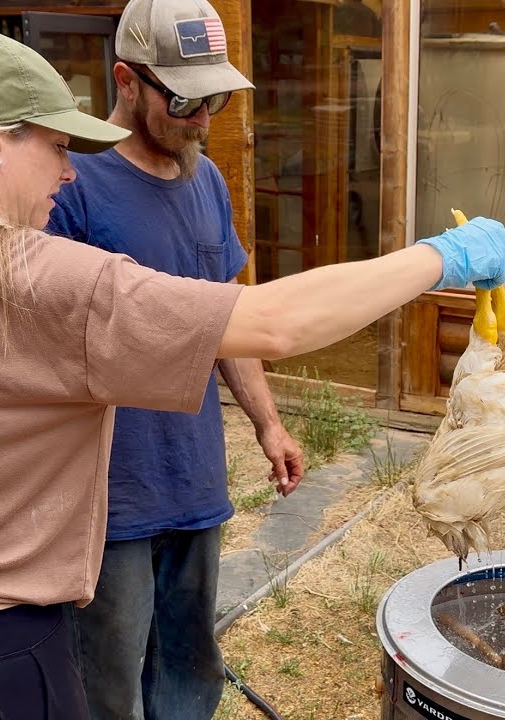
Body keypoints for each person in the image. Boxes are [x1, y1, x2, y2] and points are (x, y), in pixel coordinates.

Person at [0, 28, 505, 720]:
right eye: (58, 146)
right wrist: (436, 259)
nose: (70, 174)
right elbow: (274, 321)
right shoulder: (29, 275)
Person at [45, 2, 302, 718]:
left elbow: (228, 317)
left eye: (216, 98)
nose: (203, 118)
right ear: (127, 81)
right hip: (111, 492)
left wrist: (268, 425)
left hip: (192, 477)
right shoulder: (70, 185)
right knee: (109, 680)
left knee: (190, 666)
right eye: (186, 99)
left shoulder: (208, 182)